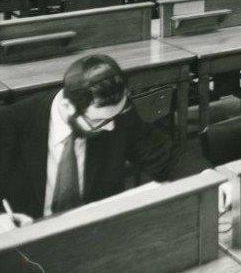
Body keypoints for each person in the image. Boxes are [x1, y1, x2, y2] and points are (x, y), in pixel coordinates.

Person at [0, 55, 172, 225]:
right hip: (27, 237)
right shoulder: (9, 124)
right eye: (98, 122)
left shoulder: (115, 114)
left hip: (96, 231)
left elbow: (162, 157)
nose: (111, 127)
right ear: (67, 107)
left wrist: (197, 181)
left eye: (116, 116)